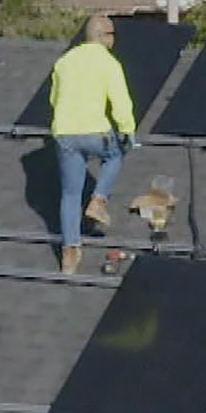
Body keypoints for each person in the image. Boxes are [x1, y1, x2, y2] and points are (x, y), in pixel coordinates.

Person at [49, 15, 138, 273]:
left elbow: (55, 100)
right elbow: (121, 103)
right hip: (95, 131)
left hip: (64, 134)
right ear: (102, 36)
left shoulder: (64, 62)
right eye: (111, 35)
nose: (114, 40)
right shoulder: (108, 63)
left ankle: (70, 254)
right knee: (115, 155)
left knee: (69, 194)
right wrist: (127, 131)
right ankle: (98, 201)